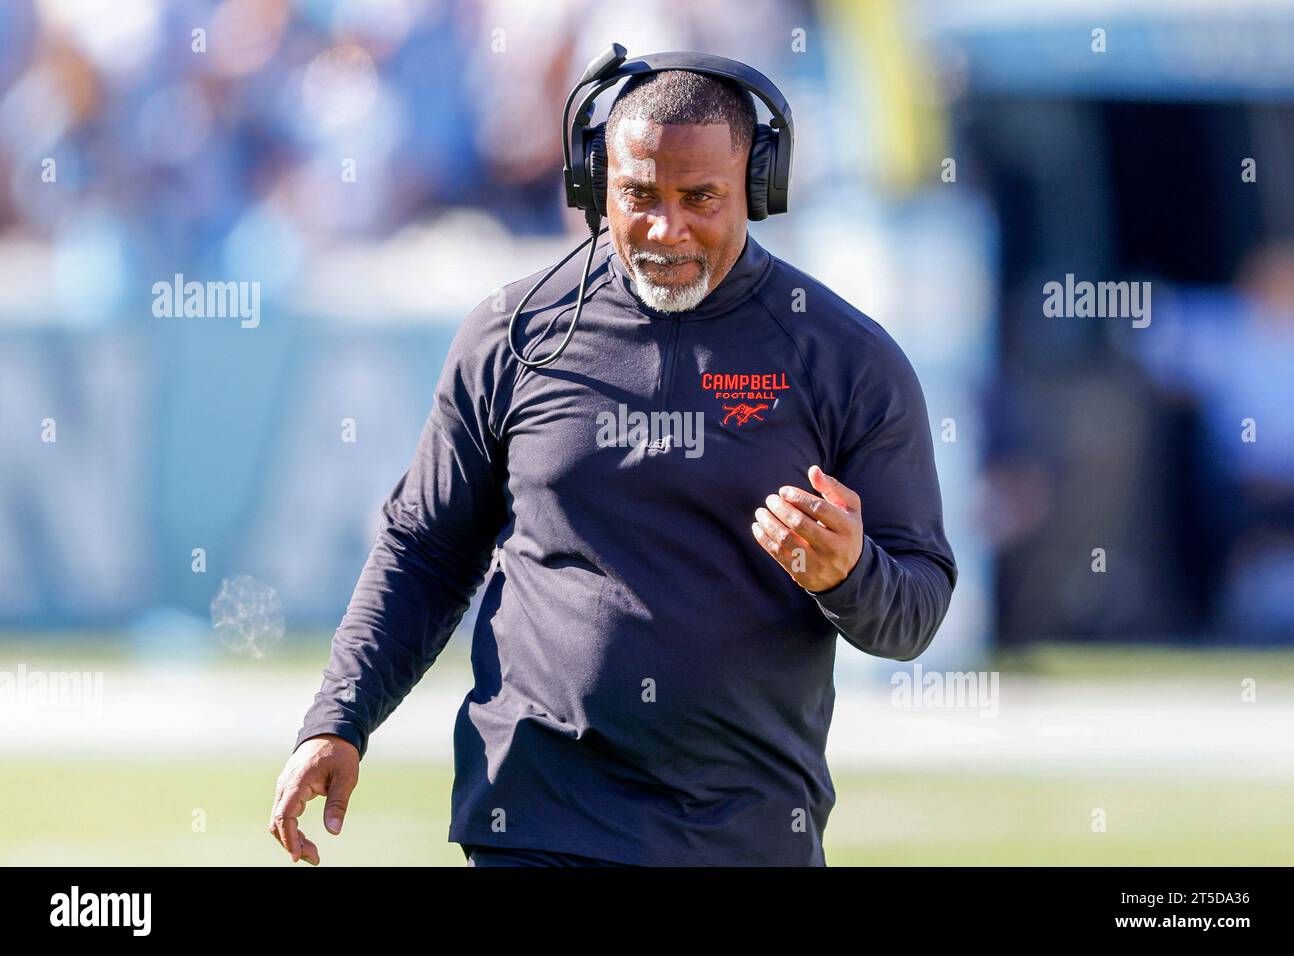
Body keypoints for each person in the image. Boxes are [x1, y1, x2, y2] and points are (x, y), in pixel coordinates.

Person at [269, 65, 956, 867]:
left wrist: (849, 575)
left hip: (745, 830)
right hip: (535, 816)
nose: (667, 228)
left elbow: (916, 612)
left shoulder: (847, 359)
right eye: (640, 195)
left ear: (756, 186)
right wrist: (337, 719)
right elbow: (425, 550)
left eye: (700, 197)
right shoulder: (513, 334)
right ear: (596, 184)